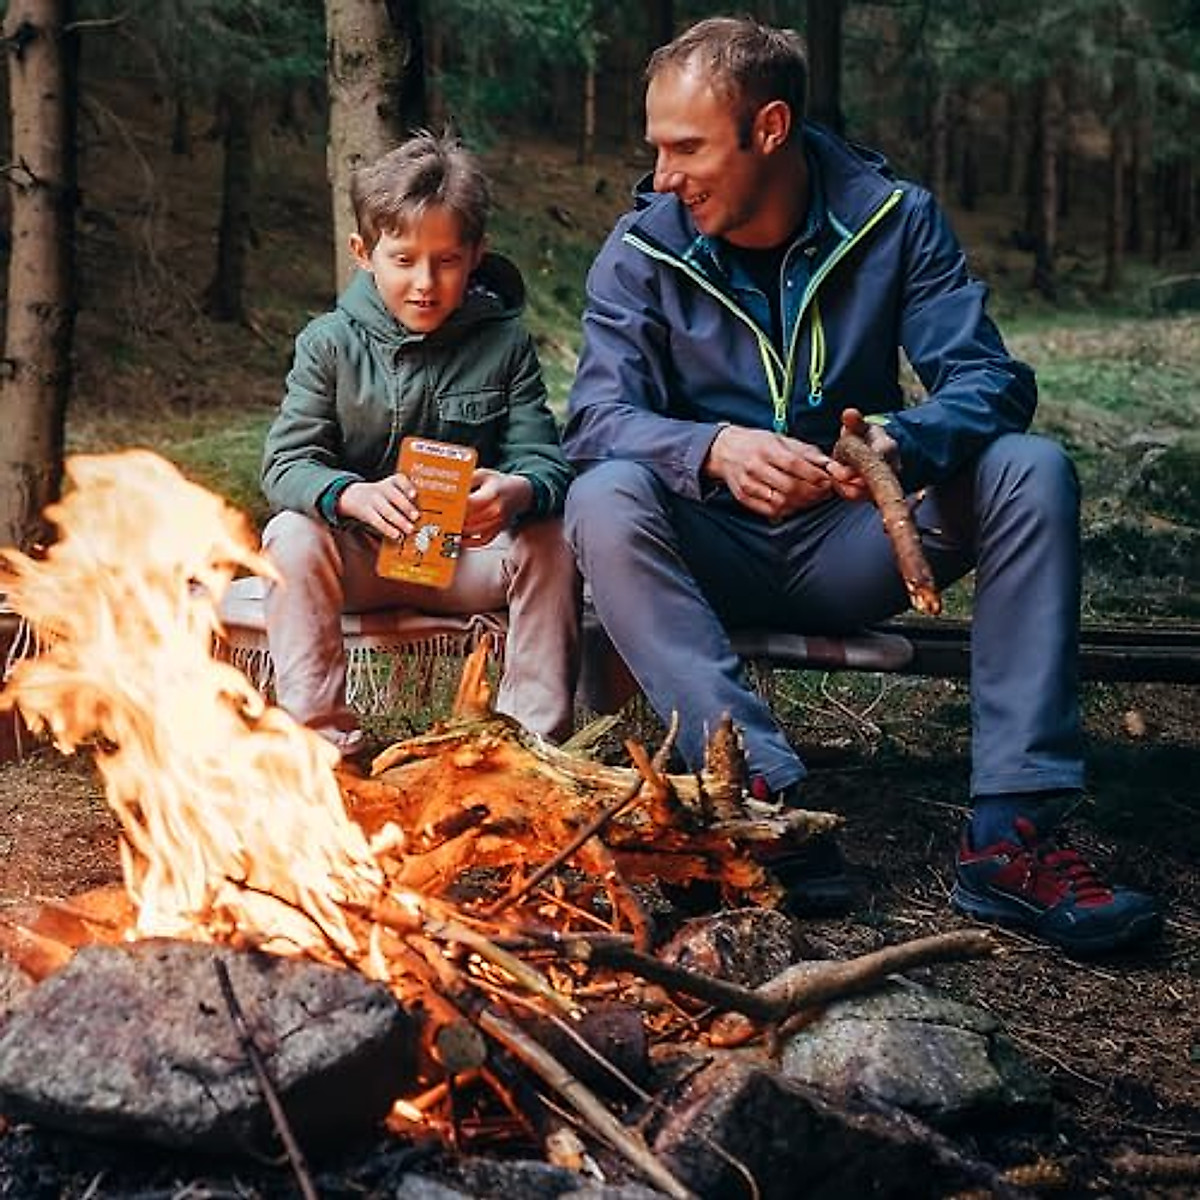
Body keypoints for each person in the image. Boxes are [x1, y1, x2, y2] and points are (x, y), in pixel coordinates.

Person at [562, 17, 1161, 955]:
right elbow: (594, 421)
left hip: (857, 545)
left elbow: (993, 382)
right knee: (601, 496)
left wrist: (898, 443)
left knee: (1030, 471)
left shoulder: (893, 219)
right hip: (702, 552)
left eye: (687, 148)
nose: (664, 176)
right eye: (657, 149)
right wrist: (713, 448)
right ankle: (761, 799)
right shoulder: (642, 250)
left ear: (768, 129)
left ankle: (1013, 839)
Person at [261, 131, 580, 759]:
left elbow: (546, 464)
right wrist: (350, 496)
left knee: (550, 536)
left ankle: (530, 750)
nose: (425, 284)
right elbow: (284, 464)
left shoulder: (504, 344)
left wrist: (515, 490)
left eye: (447, 261)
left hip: (467, 557)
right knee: (289, 537)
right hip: (361, 560)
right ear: (364, 252)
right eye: (403, 259)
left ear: (476, 253)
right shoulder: (328, 343)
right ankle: (322, 750)